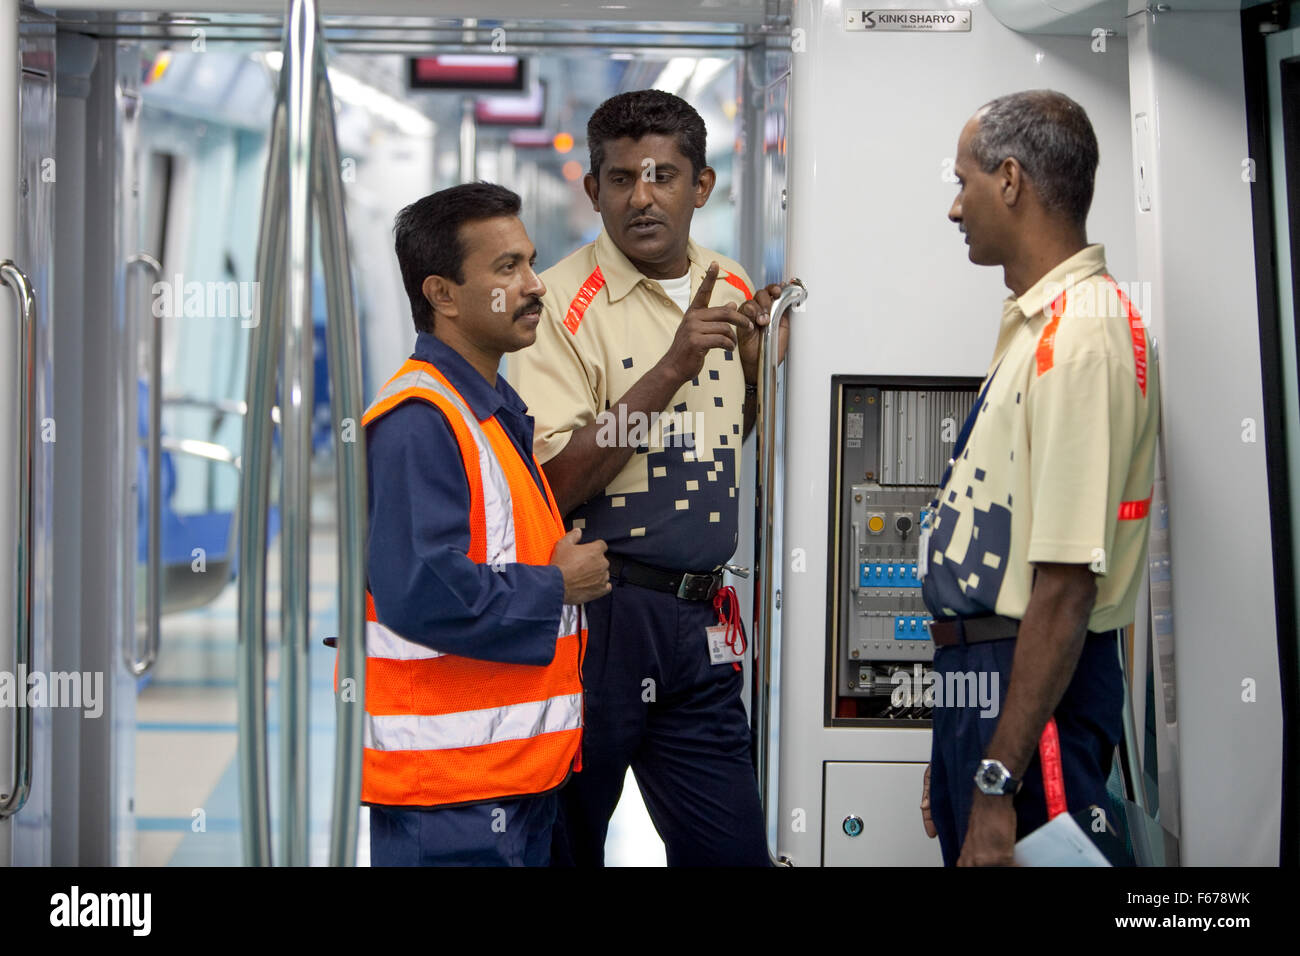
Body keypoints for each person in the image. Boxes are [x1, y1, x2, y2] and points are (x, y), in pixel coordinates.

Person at [509, 89, 794, 867]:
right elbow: (556, 484)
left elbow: (736, 433)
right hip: (601, 621)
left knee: (733, 853)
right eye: (623, 177)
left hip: (701, 621)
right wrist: (672, 364)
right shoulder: (559, 306)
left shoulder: (728, 283)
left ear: (701, 186)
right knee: (565, 849)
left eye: (664, 175)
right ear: (593, 190)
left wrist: (758, 361)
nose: (643, 196)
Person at [918, 90, 1161, 866]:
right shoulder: (1040, 323)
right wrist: (958, 741)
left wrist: (996, 778)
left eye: (965, 183)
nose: (956, 208)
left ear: (1012, 181)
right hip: (986, 681)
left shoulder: (1080, 337)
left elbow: (1063, 584)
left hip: (1029, 679)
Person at [359, 182, 610, 866]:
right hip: (450, 799)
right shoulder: (421, 419)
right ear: (442, 294)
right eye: (507, 269)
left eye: (531, 263)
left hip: (508, 782)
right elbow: (422, 591)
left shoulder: (491, 409)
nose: (534, 286)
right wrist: (556, 586)